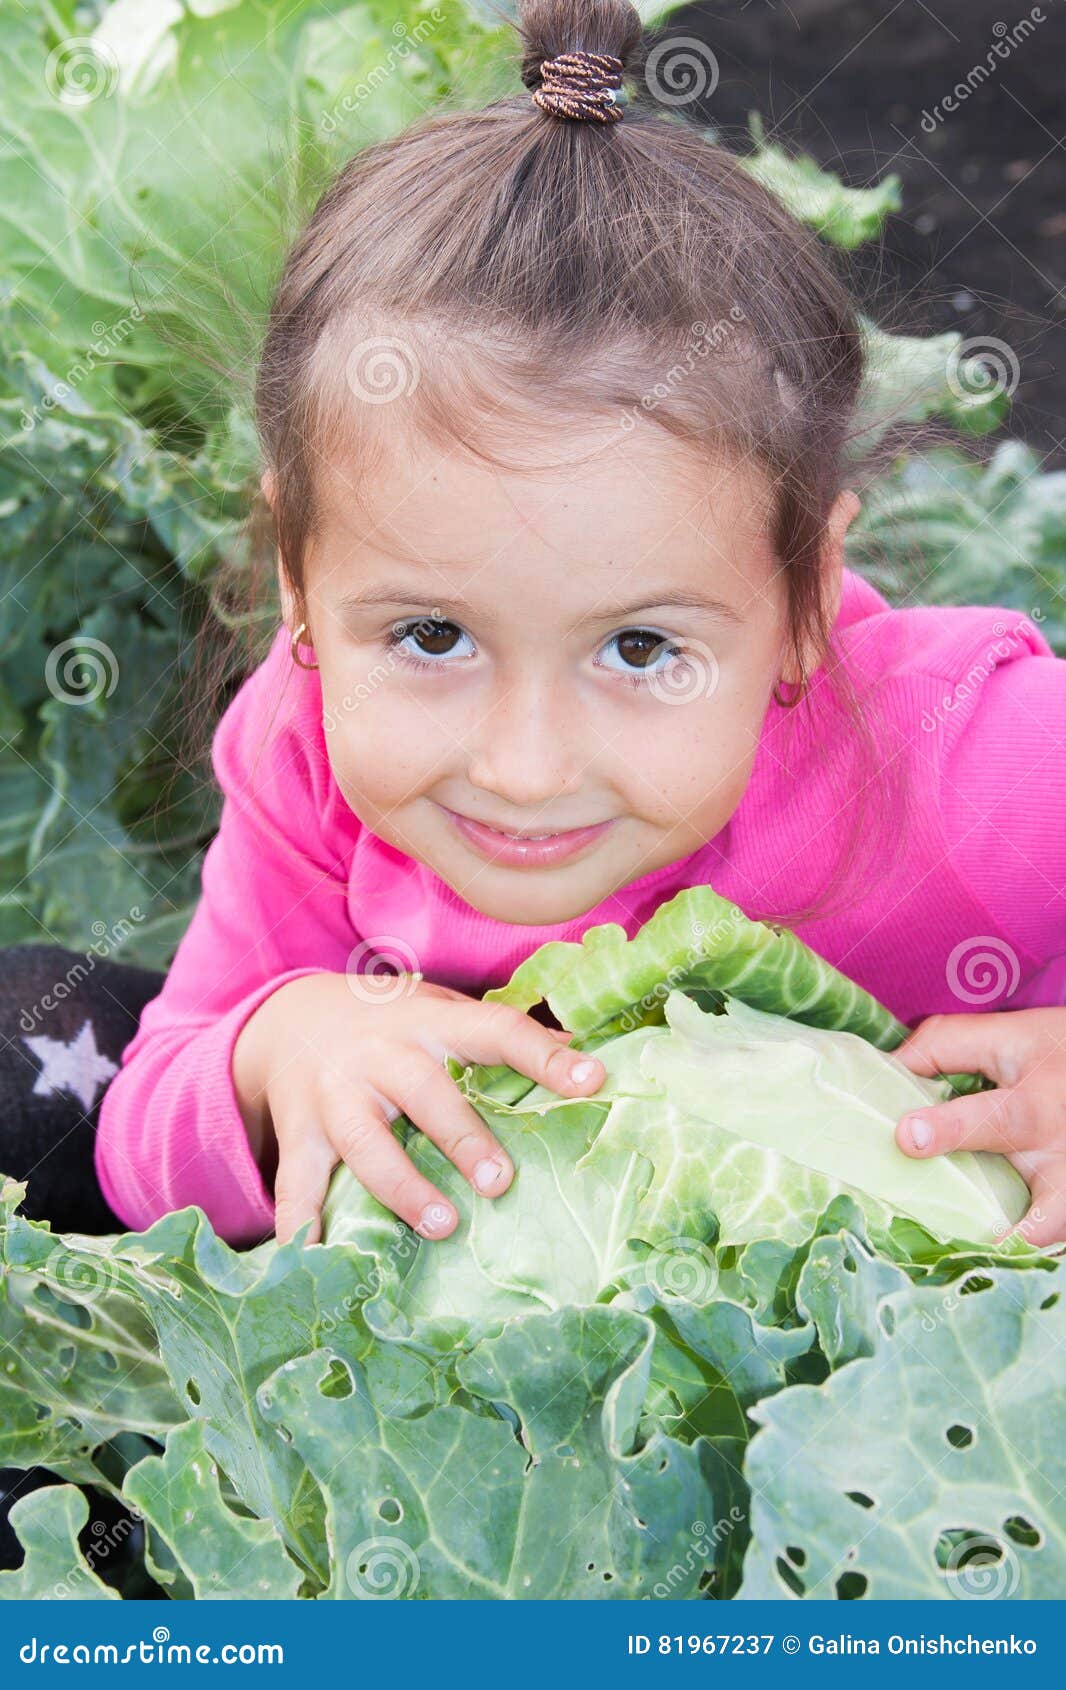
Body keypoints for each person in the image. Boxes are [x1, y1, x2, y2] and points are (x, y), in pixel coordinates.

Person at [7, 0, 1065, 1258]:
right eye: (432, 637)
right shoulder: (307, 758)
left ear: (797, 605)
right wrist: (273, 1045)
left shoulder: (977, 755)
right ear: (295, 577)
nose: (524, 765)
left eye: (639, 649)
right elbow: (150, 1118)